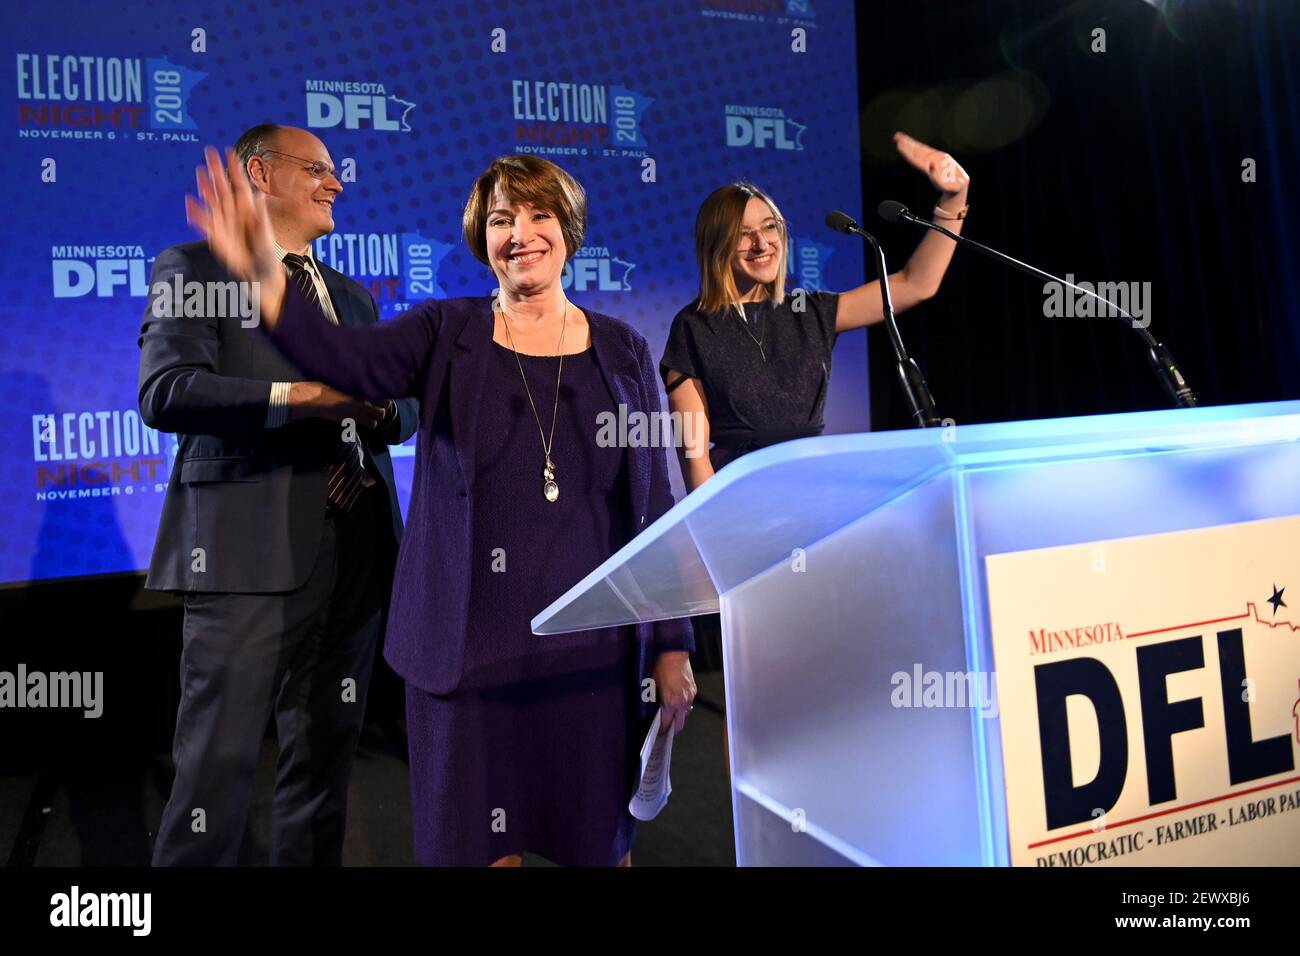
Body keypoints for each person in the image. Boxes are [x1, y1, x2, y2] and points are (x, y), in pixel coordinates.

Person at [182, 147, 696, 867]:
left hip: (590, 659)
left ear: (570, 229)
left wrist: (671, 641)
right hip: (469, 659)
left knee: (595, 848)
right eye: (500, 219)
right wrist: (264, 272)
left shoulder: (624, 351)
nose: (520, 233)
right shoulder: (445, 334)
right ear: (481, 239)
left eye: (539, 214)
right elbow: (342, 359)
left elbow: (656, 503)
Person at [139, 124, 419, 865]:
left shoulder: (353, 297)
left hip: (356, 553)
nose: (337, 184)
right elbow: (167, 391)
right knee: (217, 773)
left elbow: (405, 399)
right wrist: (302, 397)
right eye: (319, 170)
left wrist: (386, 408)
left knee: (324, 763)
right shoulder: (194, 267)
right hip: (244, 556)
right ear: (261, 174)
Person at [661, 131, 970, 670]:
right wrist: (721, 544)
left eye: (770, 228)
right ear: (716, 246)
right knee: (767, 668)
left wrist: (952, 201)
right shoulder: (692, 329)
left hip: (818, 505)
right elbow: (695, 456)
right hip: (746, 514)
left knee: (833, 663)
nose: (762, 244)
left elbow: (917, 284)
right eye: (743, 235)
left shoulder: (811, 311)